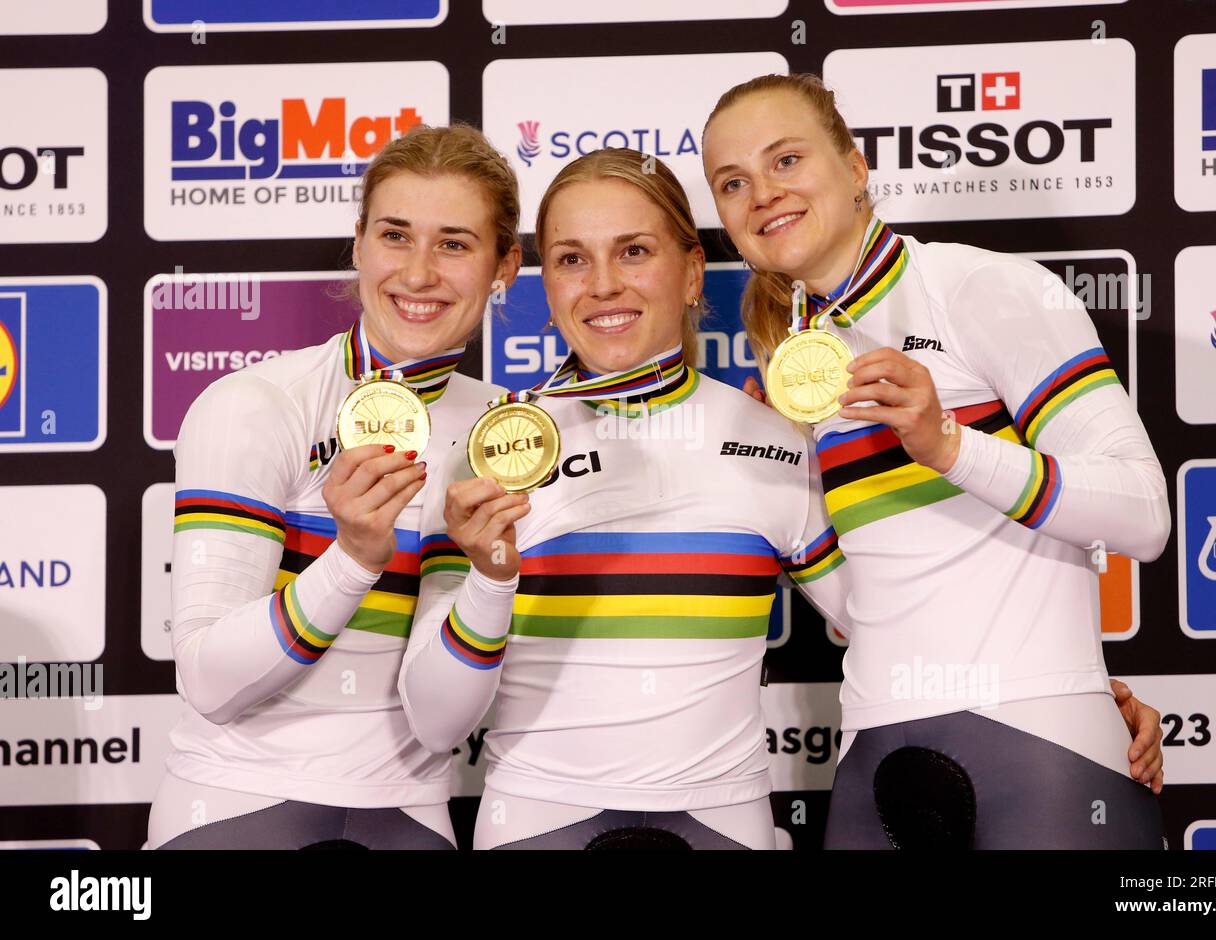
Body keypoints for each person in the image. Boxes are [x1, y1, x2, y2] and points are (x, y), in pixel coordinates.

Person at [701, 73, 1169, 848]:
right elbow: (866, 606)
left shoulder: (980, 287)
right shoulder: (795, 371)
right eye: (733, 182)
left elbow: (1144, 515)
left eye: (786, 160)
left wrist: (948, 444)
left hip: (1041, 752)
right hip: (872, 761)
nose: (762, 193)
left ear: (855, 168)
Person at [398, 148, 854, 850]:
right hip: (536, 825)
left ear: (693, 270)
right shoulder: (494, 450)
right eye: (573, 259)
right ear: (545, 285)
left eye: (634, 251)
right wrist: (490, 577)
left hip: (723, 825)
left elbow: (879, 623)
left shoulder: (775, 440)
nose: (603, 285)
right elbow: (434, 722)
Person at [147, 124, 522, 849]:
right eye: (395, 235)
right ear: (358, 242)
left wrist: (491, 579)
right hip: (232, 806)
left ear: (503, 264)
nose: (418, 274)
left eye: (454, 243)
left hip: (412, 819)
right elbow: (209, 682)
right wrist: (352, 559)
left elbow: (442, 722)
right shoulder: (256, 404)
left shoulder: (498, 431)